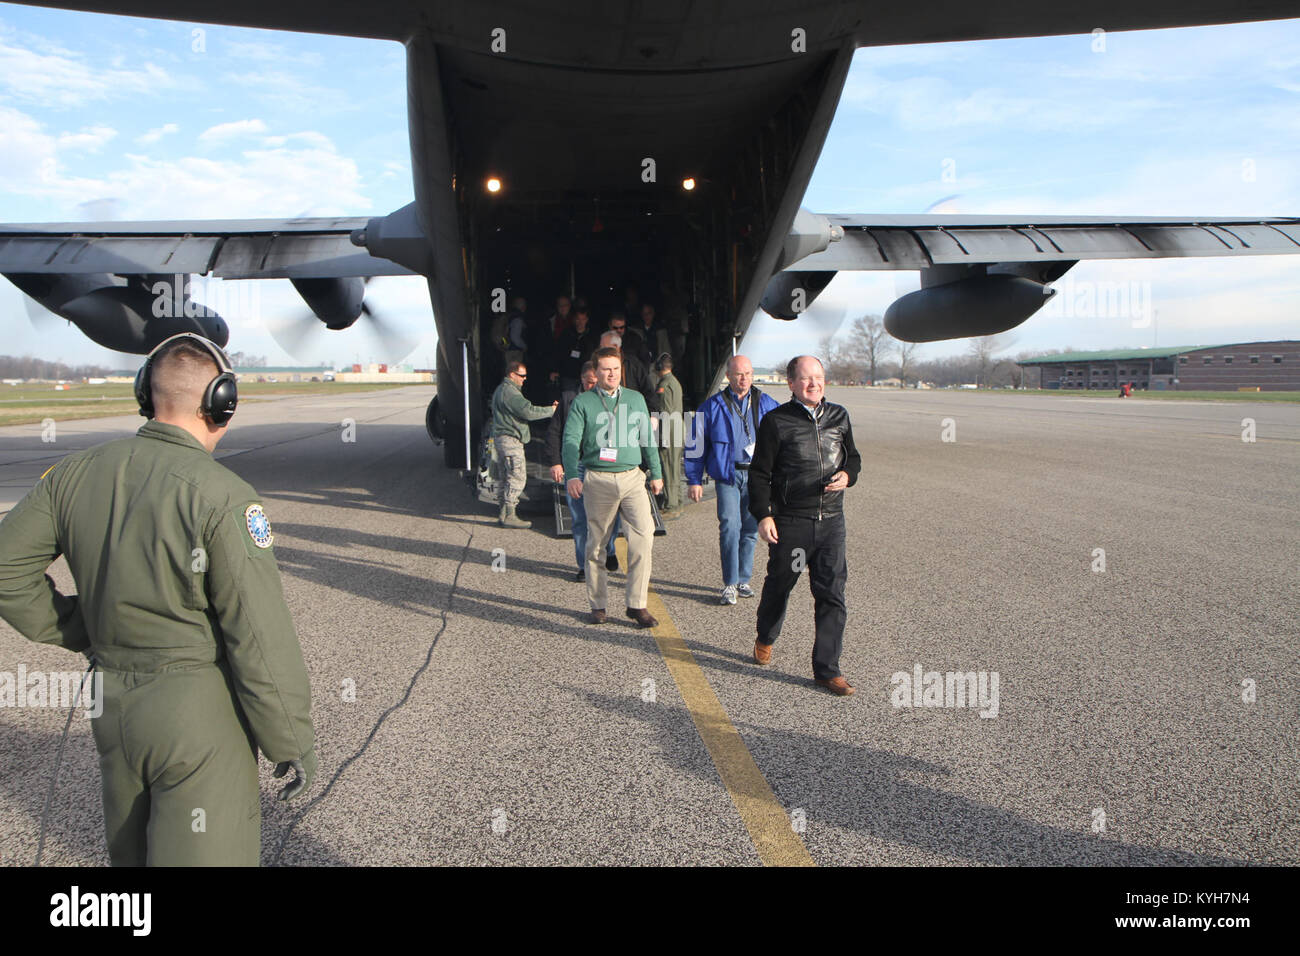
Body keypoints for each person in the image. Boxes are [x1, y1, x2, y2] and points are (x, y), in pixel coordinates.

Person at [0, 332, 316, 865]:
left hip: (114, 708)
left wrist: (85, 628)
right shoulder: (224, 495)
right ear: (221, 403)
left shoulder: (71, 475)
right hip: (196, 715)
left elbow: (7, 570)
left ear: (146, 393)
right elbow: (258, 633)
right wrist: (291, 740)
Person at [748, 355, 862, 696]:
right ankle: (766, 635)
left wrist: (848, 475)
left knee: (831, 595)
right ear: (791, 384)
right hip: (793, 525)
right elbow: (759, 474)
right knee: (780, 586)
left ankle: (827, 670)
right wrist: (763, 515)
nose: (814, 383)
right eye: (806, 378)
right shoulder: (776, 421)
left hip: (831, 524)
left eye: (819, 377)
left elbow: (852, 457)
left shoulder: (840, 416)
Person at [562, 347, 664, 627]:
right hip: (599, 479)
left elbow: (647, 438)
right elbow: (571, 441)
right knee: (597, 543)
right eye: (606, 369)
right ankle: (598, 605)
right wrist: (572, 474)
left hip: (632, 478)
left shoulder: (635, 399)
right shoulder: (583, 403)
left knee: (644, 536)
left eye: (616, 369)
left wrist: (656, 472)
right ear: (595, 372)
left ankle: (636, 604)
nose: (612, 374)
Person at [685, 355, 780, 604]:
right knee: (729, 525)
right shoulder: (711, 406)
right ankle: (729, 584)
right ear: (728, 376)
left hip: (758, 476)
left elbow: (784, 438)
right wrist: (693, 479)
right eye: (739, 374)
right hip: (727, 475)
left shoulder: (767, 404)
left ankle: (743, 579)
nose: (744, 379)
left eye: (748, 373)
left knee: (750, 529)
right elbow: (695, 446)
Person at [547, 362, 619, 579]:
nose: (593, 386)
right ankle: (583, 566)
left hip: (604, 464)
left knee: (611, 515)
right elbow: (554, 432)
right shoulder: (569, 400)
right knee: (580, 518)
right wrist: (556, 462)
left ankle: (610, 549)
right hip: (576, 465)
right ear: (582, 380)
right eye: (589, 383)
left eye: (596, 383)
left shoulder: (611, 400)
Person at [490, 360, 557, 528]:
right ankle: (510, 515)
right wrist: (551, 410)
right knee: (517, 476)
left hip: (501, 439)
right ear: (512, 375)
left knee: (506, 477)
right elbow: (528, 411)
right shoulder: (511, 393)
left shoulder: (501, 390)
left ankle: (503, 513)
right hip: (511, 440)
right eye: (522, 375)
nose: (525, 379)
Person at [653, 352, 685, 517]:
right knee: (674, 467)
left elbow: (664, 411)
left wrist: (662, 437)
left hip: (670, 430)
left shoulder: (664, 384)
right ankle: (677, 502)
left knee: (668, 467)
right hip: (677, 428)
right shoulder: (674, 382)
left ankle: (671, 505)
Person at [556, 299, 599, 393]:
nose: (580, 322)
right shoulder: (566, 334)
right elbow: (559, 353)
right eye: (578, 319)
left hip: (586, 374)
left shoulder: (592, 336)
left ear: (587, 319)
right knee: (569, 400)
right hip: (569, 375)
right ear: (574, 319)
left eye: (583, 319)